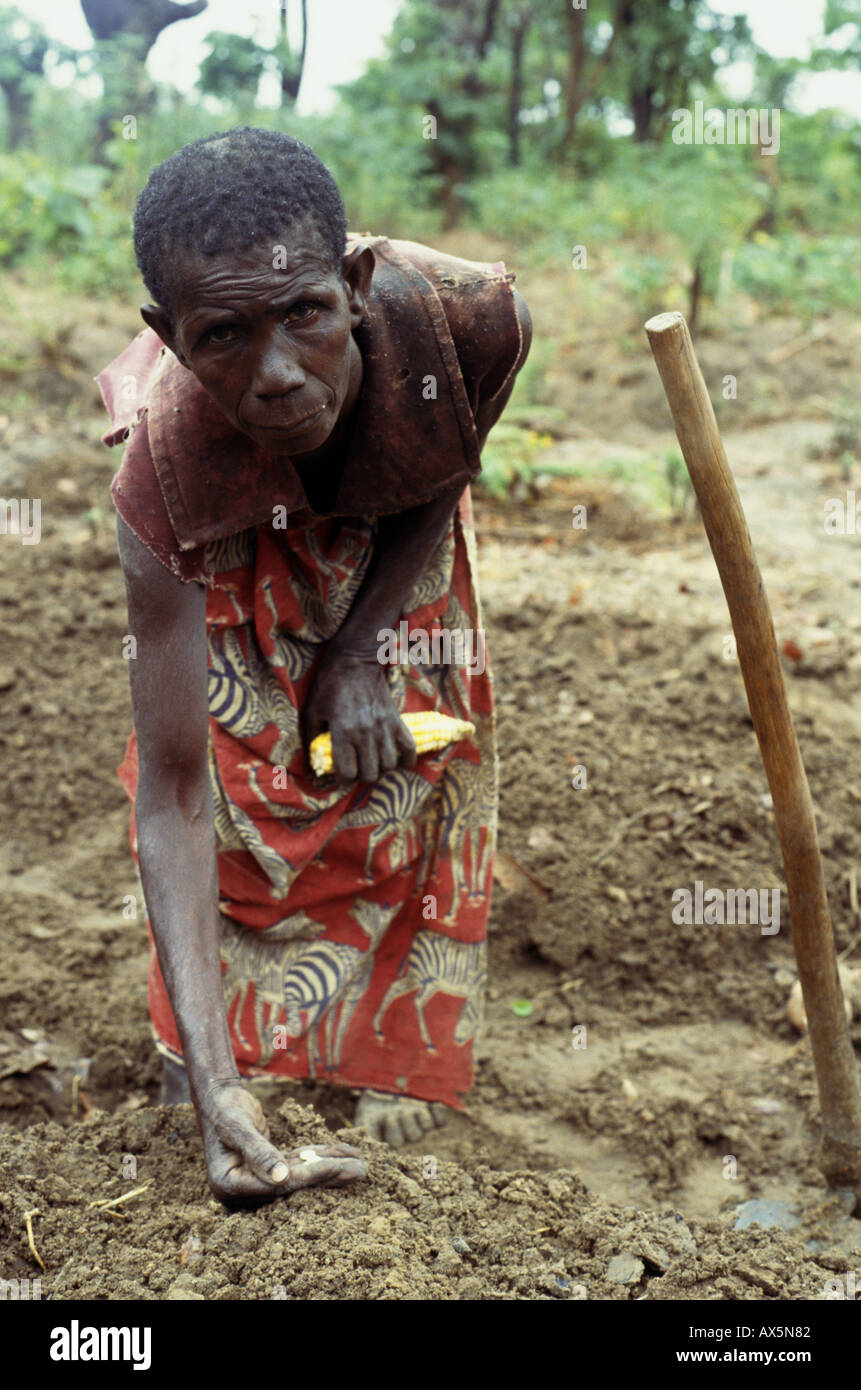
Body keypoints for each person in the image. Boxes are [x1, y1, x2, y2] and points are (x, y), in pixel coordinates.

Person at [98, 127, 531, 1204]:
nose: (278, 372)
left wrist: (364, 642)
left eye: (305, 315)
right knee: (249, 786)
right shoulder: (164, 474)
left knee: (402, 767)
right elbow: (175, 791)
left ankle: (390, 1060)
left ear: (353, 284)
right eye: (224, 336)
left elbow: (452, 456)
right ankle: (211, 1068)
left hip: (392, 519)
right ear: (169, 337)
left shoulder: (472, 324)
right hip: (237, 530)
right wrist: (213, 1083)